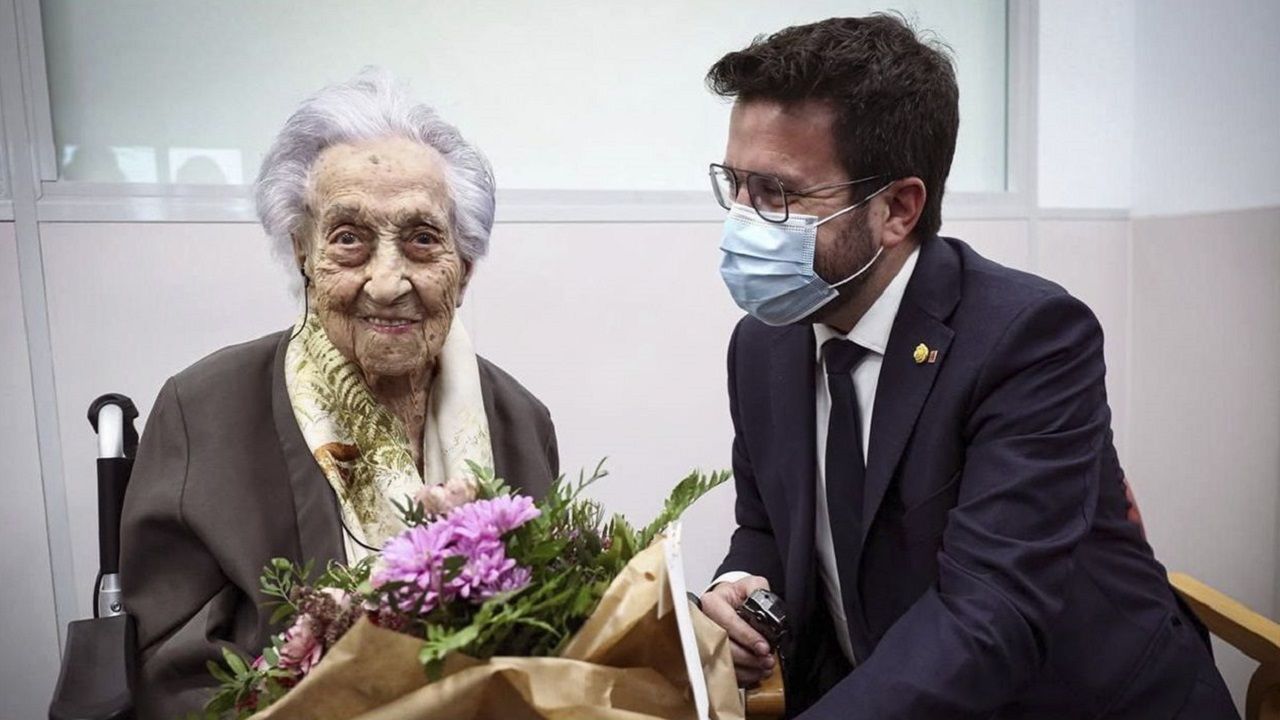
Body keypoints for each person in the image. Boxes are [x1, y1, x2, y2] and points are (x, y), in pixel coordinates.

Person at [697, 16, 1237, 719]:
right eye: (735, 185)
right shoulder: (763, 345)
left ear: (897, 208)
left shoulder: (1030, 340)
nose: (742, 220)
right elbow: (767, 523)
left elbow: (989, 615)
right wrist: (742, 585)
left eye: (778, 194)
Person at [120, 70, 559, 718]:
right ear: (302, 252)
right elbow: (176, 675)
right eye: (349, 239)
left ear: (463, 269)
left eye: (421, 239)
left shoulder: (520, 421)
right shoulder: (202, 413)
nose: (386, 282)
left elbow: (550, 640)